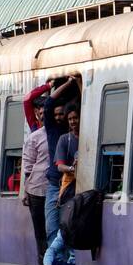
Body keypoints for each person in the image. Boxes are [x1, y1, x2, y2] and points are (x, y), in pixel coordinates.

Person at [42, 103, 80, 265]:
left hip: (77, 191)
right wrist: (73, 169)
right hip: (68, 189)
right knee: (53, 240)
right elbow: (59, 165)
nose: (73, 122)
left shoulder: (87, 137)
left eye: (76, 118)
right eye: (70, 119)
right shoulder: (66, 140)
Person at [42, 74, 79, 249]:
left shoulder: (72, 130)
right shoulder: (52, 129)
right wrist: (70, 83)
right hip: (55, 184)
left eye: (62, 114)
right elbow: (48, 102)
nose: (59, 117)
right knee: (51, 227)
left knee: (69, 227)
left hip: (72, 184)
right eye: (56, 115)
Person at [19, 85, 51, 265]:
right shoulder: (34, 128)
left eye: (43, 110)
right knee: (41, 230)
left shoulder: (55, 128)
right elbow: (27, 99)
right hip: (35, 184)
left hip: (48, 184)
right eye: (38, 111)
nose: (40, 114)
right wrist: (48, 85)